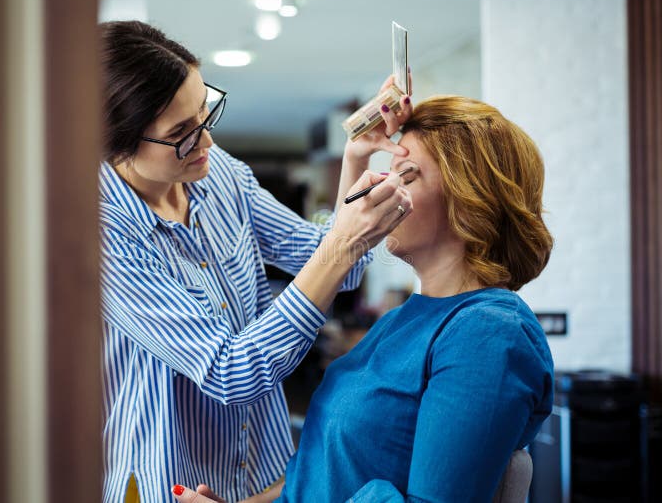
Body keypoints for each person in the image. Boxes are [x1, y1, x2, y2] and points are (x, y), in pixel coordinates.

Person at [172, 95, 555, 503]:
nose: (383, 189)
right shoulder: (400, 321)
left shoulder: (488, 334)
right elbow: (328, 474)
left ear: (469, 199)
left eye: (406, 176)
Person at [98, 20, 415, 503]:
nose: (206, 144)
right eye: (182, 133)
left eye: (205, 111)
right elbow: (230, 371)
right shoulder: (100, 234)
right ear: (115, 144)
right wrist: (342, 243)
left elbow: (340, 268)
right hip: (170, 481)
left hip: (264, 474)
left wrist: (355, 160)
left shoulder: (216, 173)